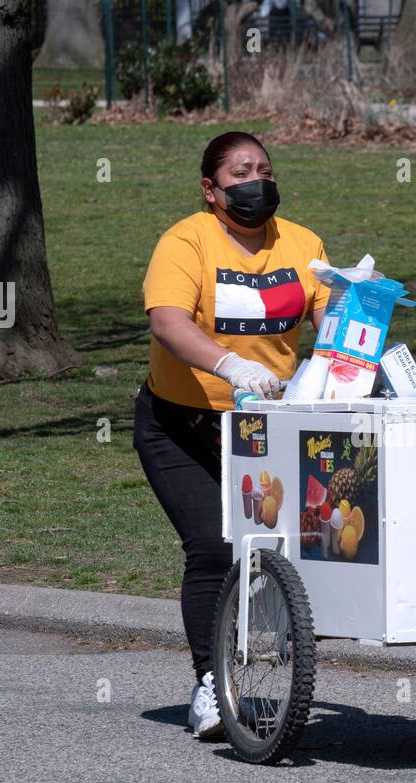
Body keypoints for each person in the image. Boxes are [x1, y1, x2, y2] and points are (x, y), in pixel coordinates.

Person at [136, 131, 330, 738]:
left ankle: (264, 648)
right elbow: (167, 321)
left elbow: (331, 322)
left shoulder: (301, 243)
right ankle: (210, 686)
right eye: (242, 172)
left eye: (265, 170)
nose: (257, 182)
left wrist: (360, 320)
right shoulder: (185, 241)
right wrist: (229, 364)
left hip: (265, 430)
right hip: (182, 425)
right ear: (210, 190)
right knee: (214, 548)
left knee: (291, 546)